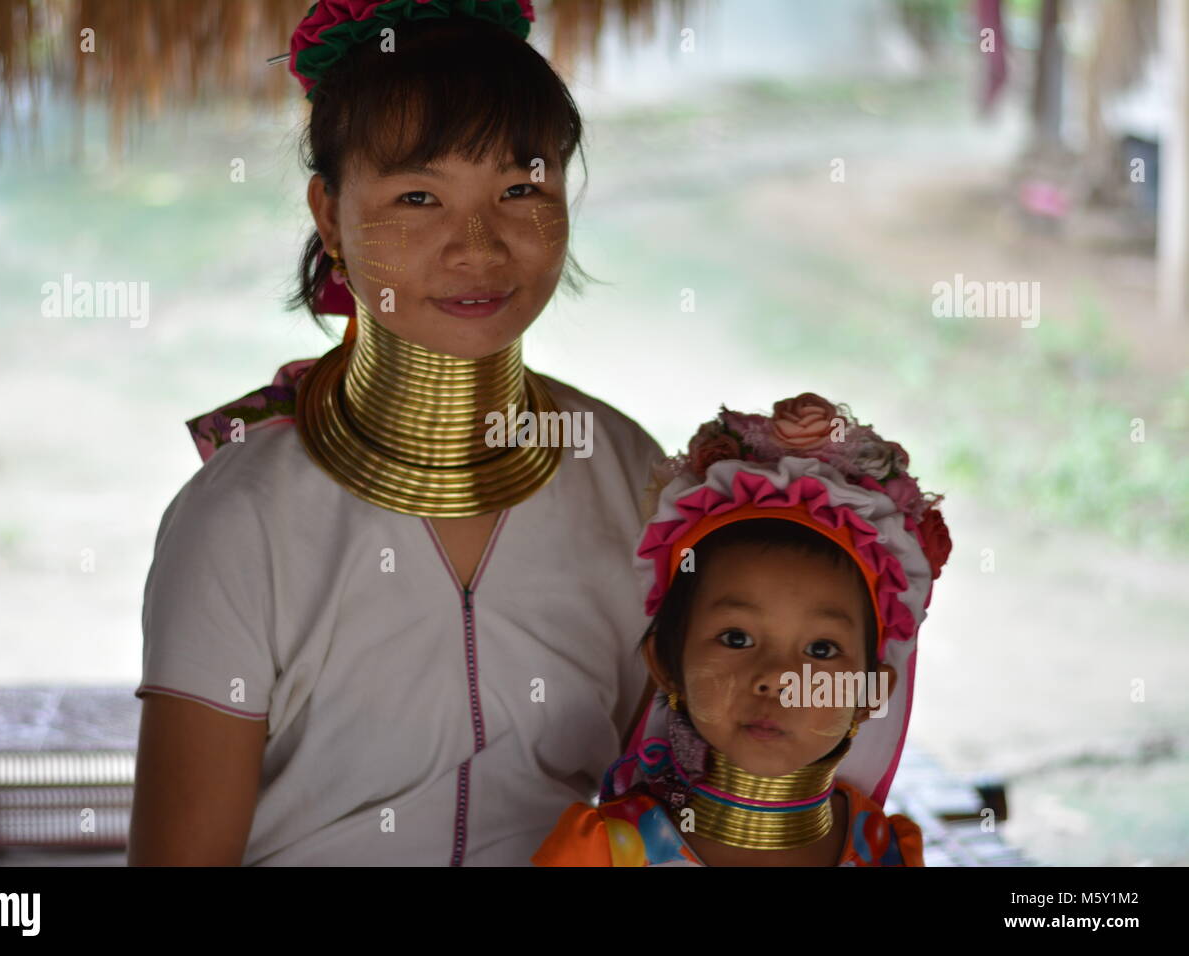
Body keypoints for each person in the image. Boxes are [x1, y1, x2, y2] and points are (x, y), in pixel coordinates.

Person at [127, 0, 664, 866]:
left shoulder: (629, 477)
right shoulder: (241, 520)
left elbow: (680, 806)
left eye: (521, 189)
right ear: (331, 217)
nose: (479, 246)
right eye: (419, 196)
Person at [532, 393, 952, 866]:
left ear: (873, 690)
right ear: (666, 666)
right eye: (736, 638)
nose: (777, 677)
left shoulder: (889, 852)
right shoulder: (601, 853)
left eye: (821, 648)